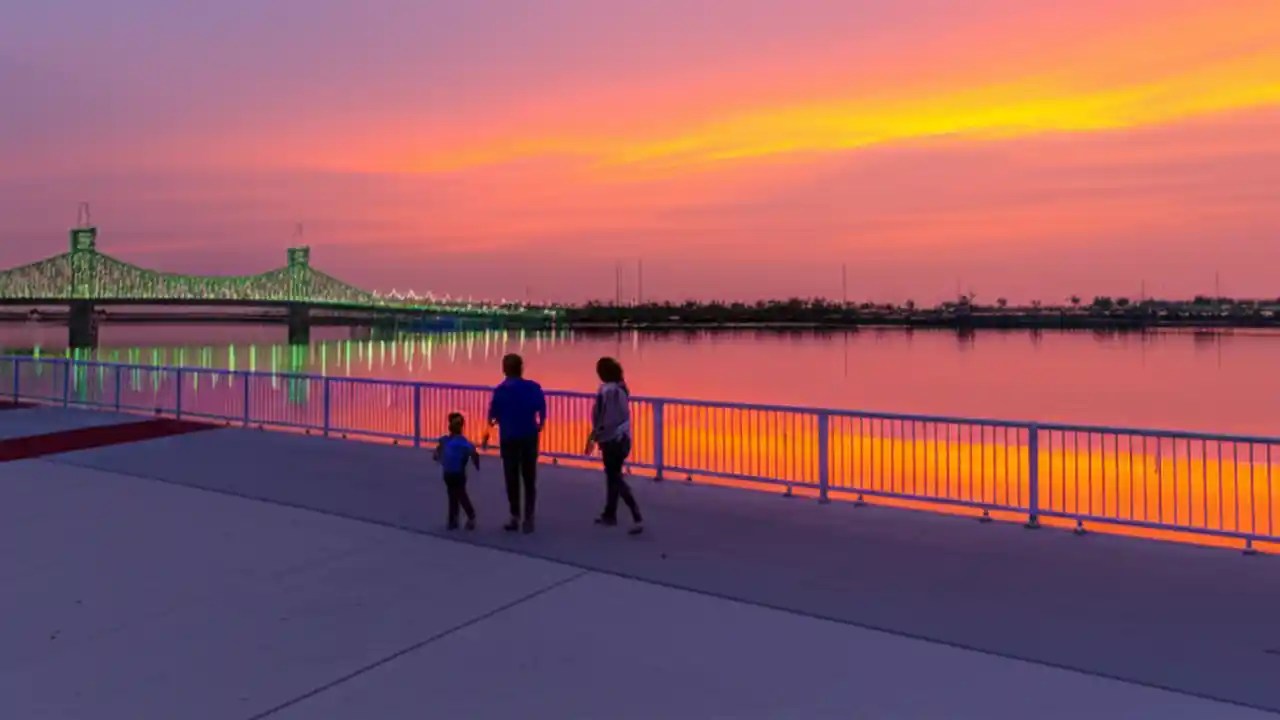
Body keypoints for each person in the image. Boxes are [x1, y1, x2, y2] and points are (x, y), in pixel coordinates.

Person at [487, 353, 546, 533]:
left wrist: (494, 421)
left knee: (511, 477)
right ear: (521, 368)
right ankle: (529, 519)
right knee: (529, 478)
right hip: (529, 436)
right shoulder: (533, 387)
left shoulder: (501, 390)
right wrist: (539, 424)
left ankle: (515, 516)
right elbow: (542, 410)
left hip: (509, 437)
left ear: (504, 369)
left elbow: (493, 416)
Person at [589, 356, 643, 535]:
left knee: (615, 477)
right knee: (612, 477)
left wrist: (597, 433)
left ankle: (636, 515)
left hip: (612, 439)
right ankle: (609, 513)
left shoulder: (609, 391)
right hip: (621, 438)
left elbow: (607, 417)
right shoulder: (620, 389)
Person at [433, 412, 479, 531]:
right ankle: (460, 517)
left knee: (455, 494)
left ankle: (458, 518)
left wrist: (438, 456)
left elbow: (437, 454)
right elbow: (472, 452)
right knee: (458, 494)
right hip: (457, 472)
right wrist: (475, 462)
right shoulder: (462, 442)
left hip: (450, 472)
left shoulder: (446, 441)